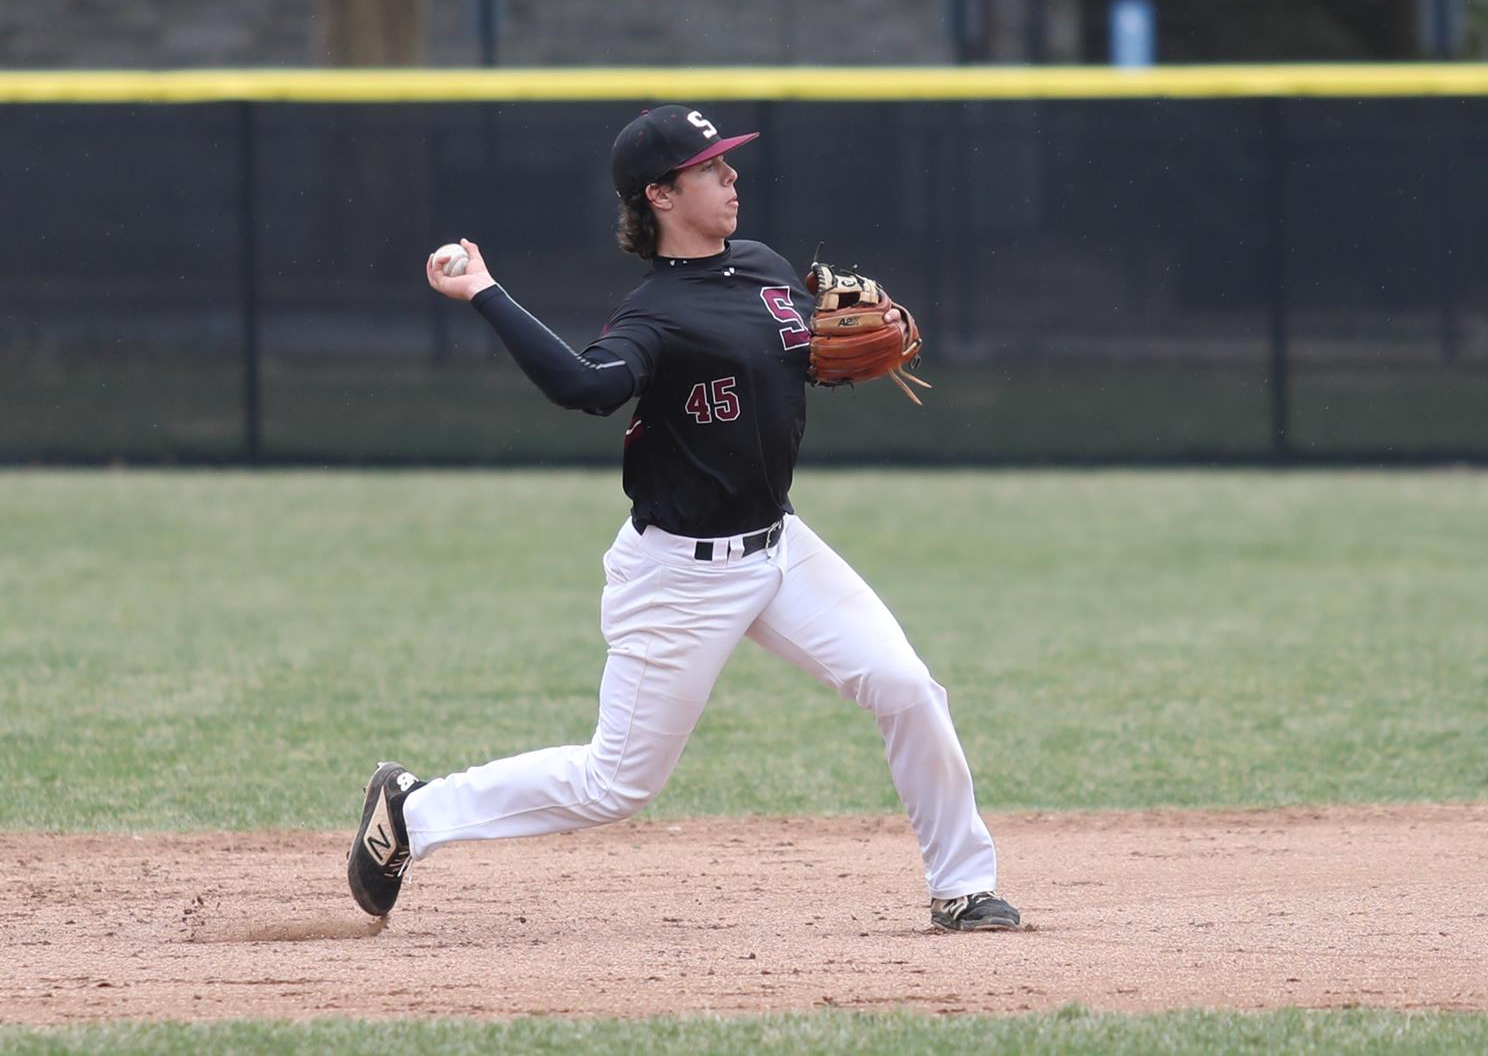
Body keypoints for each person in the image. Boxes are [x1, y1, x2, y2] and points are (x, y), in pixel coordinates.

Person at [347, 105, 1020, 933]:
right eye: (711, 169)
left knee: (907, 687)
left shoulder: (768, 267)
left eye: (729, 164)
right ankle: (412, 813)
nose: (732, 178)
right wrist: (486, 291)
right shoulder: (654, 314)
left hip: (780, 547)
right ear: (660, 194)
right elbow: (586, 388)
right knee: (614, 784)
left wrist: (844, 351)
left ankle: (962, 886)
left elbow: (794, 361)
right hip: (679, 574)